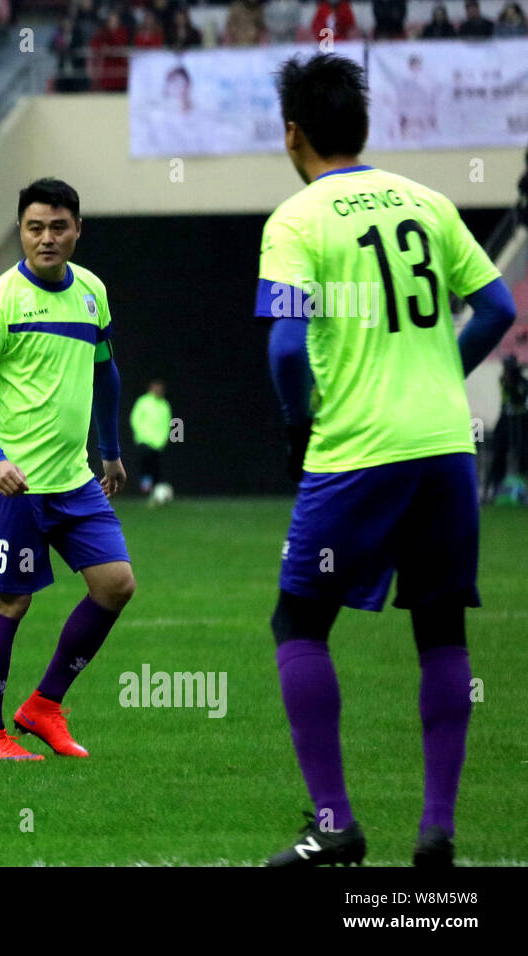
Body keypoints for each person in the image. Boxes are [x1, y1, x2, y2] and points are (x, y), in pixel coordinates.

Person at [257, 54, 516, 867]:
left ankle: (334, 824)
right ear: (364, 128)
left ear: (292, 132)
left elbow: (288, 344)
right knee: (441, 633)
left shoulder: (298, 220)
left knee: (300, 621)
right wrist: (443, 372)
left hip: (359, 449)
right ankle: (437, 830)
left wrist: (300, 423)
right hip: (444, 449)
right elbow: (499, 308)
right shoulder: (430, 203)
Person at [0, 177, 133, 761]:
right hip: (16, 487)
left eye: (58, 227)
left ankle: (45, 705)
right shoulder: (0, 299)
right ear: (21, 232)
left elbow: (106, 374)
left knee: (115, 585)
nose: (47, 238)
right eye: (35, 228)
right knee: (9, 604)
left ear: (77, 230)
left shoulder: (92, 293)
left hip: (75, 479)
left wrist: (110, 450)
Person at [486, 355, 528, 501]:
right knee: (498, 454)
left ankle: (522, 489)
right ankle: (493, 489)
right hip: (506, 420)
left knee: (524, 454)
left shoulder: (522, 383)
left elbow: (520, 399)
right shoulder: (503, 381)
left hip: (521, 421)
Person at [129, 379, 171, 494]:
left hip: (159, 443)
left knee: (156, 469)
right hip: (145, 441)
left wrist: (163, 439)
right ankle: (144, 489)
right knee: (144, 466)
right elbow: (135, 419)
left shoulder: (164, 405)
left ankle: (156, 492)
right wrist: (142, 435)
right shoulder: (143, 402)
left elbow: (167, 423)